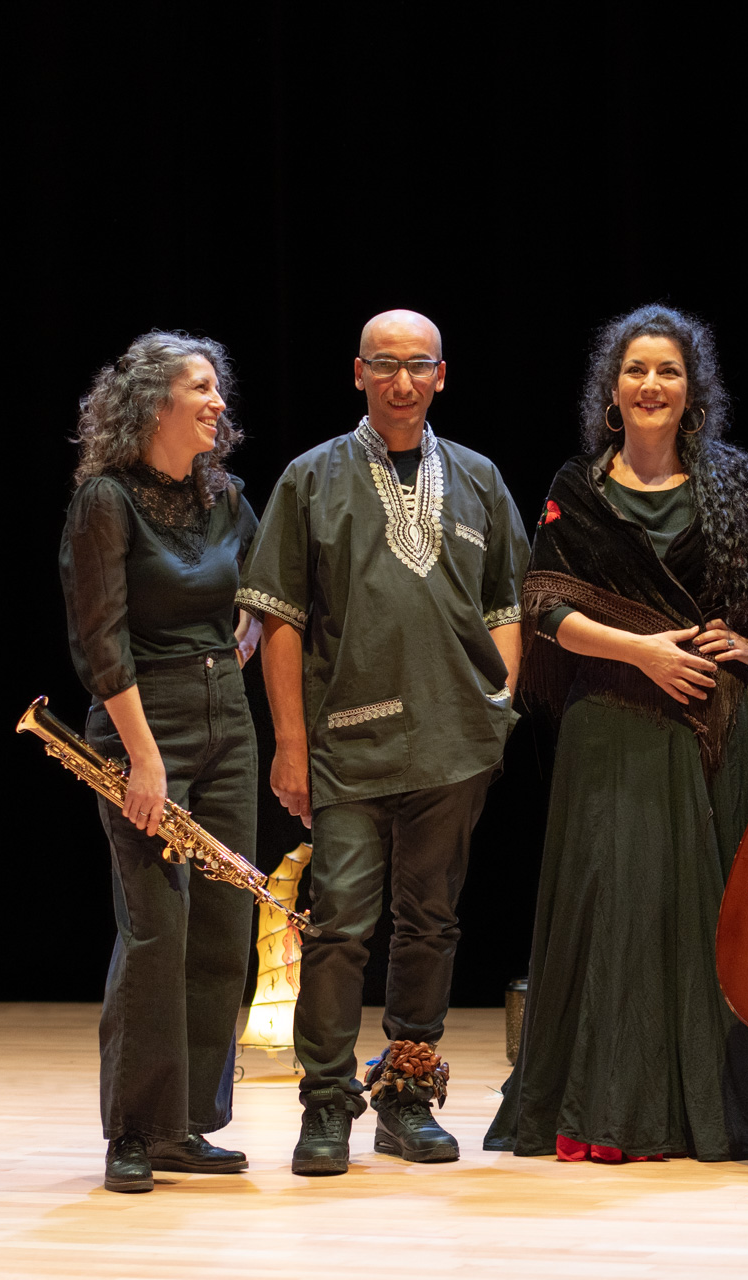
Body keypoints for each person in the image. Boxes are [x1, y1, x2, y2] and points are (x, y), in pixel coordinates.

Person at [486, 304, 748, 1163]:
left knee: (724, 919)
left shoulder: (738, 486)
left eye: (668, 371)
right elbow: (544, 606)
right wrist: (642, 654)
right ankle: (615, 1113)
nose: (651, 385)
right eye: (635, 370)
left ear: (691, 390)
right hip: (617, 730)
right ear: (613, 390)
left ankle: (727, 1105)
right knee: (621, 921)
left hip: (721, 725)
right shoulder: (576, 490)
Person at [237, 309, 529, 1175]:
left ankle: (405, 1095)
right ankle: (325, 1103)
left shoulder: (478, 477)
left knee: (430, 923)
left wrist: (499, 700)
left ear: (443, 375)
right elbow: (280, 621)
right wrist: (290, 745)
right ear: (357, 373)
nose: (402, 380)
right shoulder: (310, 479)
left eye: (419, 365)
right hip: (348, 747)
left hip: (455, 743)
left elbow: (508, 603)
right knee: (338, 928)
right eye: (385, 364)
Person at [59, 331, 264, 1193]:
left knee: (223, 928)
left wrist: (242, 645)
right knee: (156, 931)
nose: (219, 403)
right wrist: (142, 759)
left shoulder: (227, 499)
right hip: (145, 728)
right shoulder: (107, 499)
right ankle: (134, 1131)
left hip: (227, 724)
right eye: (202, 388)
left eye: (218, 389)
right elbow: (99, 642)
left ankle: (187, 1124)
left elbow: (260, 594)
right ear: (155, 403)